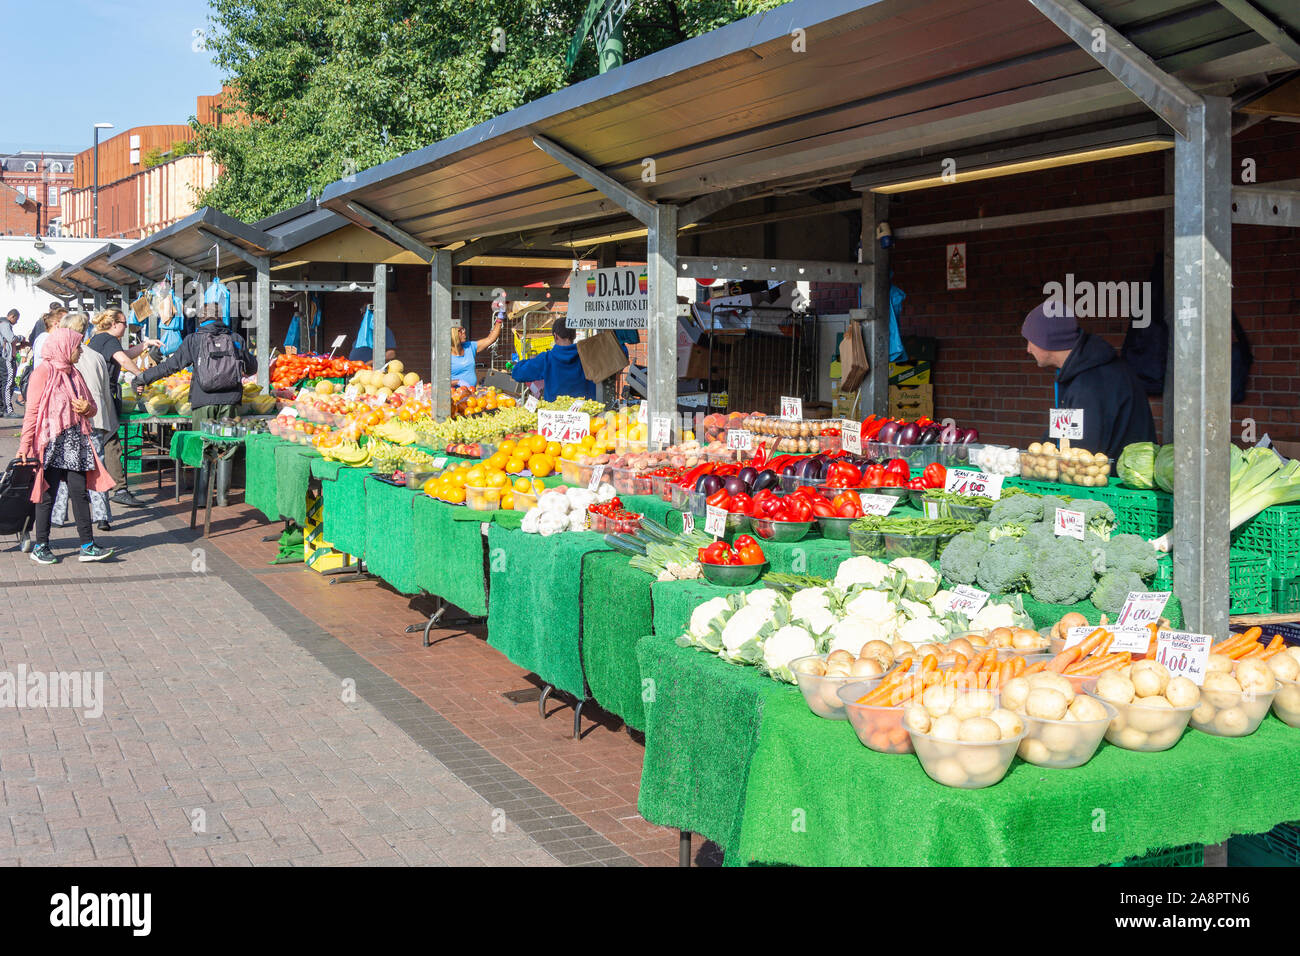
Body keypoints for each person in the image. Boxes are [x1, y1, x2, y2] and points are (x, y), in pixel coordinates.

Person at [17, 326, 116, 565]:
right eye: (76, 347)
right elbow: (31, 412)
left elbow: (91, 406)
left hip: (75, 443)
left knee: (79, 492)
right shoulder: (43, 372)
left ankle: (87, 546)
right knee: (47, 494)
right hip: (50, 442)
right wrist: (24, 446)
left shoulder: (75, 373)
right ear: (64, 347)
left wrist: (87, 409)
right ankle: (41, 546)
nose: (80, 352)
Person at [1021, 300, 1156, 461]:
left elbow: (1081, 459)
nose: (1028, 349)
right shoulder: (1083, 370)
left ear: (1047, 340)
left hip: (1114, 481)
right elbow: (1062, 432)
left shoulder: (1090, 384)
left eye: (1030, 340)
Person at [86, 309, 161, 509]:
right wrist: (142, 375)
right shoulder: (108, 339)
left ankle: (109, 488)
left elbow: (125, 354)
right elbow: (125, 361)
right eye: (124, 323)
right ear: (114, 324)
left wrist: (145, 345)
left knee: (105, 442)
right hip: (103, 396)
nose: (126, 326)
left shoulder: (100, 339)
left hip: (98, 396)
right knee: (111, 442)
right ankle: (118, 489)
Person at [133, 304, 257, 424]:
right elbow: (252, 368)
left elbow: (169, 366)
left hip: (203, 401)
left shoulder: (193, 340)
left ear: (200, 319)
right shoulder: (236, 339)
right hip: (230, 401)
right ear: (221, 317)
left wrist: (142, 378)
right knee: (228, 440)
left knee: (202, 441)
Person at [51, 313, 115, 531]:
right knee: (97, 466)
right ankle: (102, 515)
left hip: (67, 422)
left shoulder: (57, 355)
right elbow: (105, 392)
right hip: (95, 419)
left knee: (62, 467)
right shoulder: (96, 356)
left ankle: (58, 515)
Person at [450, 315, 504, 387]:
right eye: (460, 330)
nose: (464, 331)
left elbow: (490, 339)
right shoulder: (445, 355)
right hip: (455, 395)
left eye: (464, 329)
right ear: (453, 334)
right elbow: (440, 382)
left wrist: (499, 320)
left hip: (471, 394)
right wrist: (457, 382)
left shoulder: (469, 347)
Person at [0, 308, 17, 417]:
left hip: (1, 357)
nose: (16, 322)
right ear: (12, 316)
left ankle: (2, 408)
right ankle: (8, 410)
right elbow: (11, 339)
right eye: (17, 319)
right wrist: (20, 338)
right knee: (8, 383)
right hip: (6, 358)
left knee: (3, 382)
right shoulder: (5, 324)